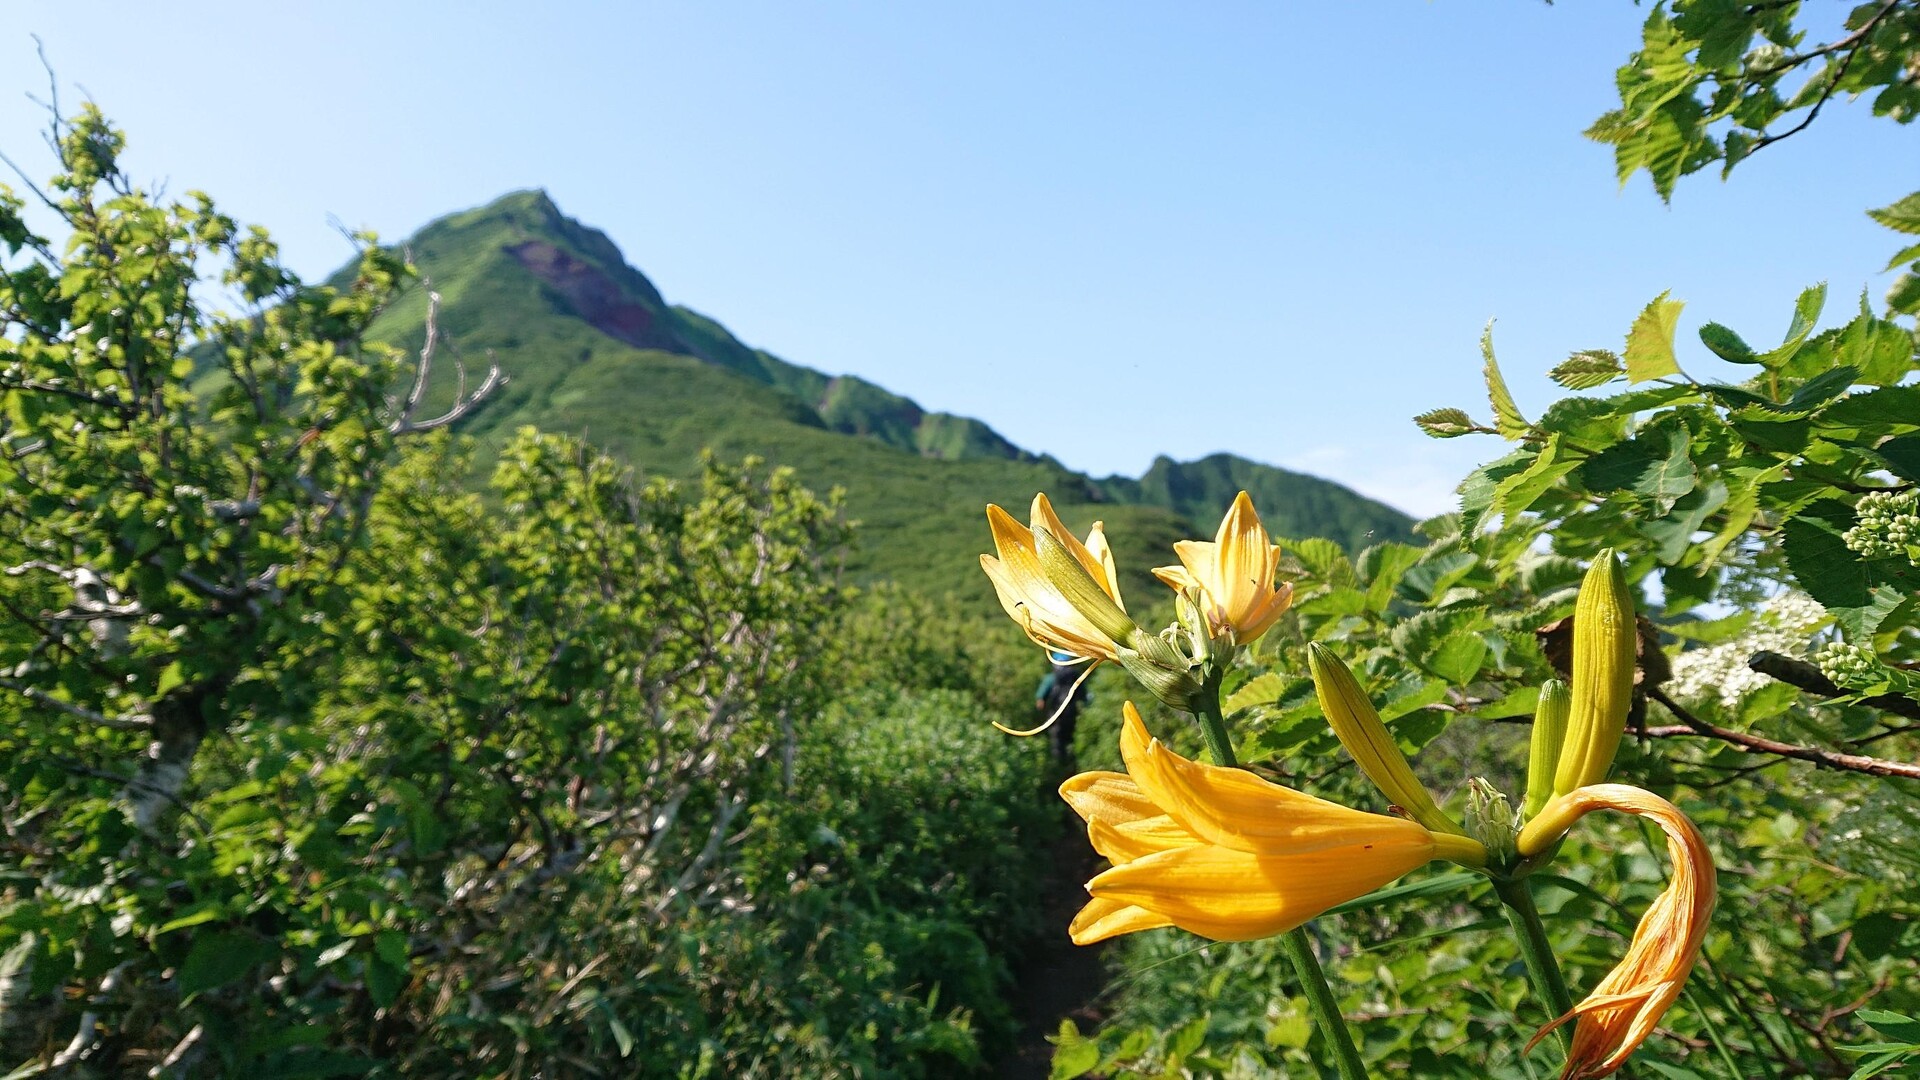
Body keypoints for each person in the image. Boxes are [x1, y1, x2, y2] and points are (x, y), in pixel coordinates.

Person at [1035, 651, 1091, 763]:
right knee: (1072, 739)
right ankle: (1073, 762)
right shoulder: (1075, 677)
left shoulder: (1051, 678)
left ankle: (1059, 764)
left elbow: (1040, 699)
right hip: (1072, 714)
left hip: (1056, 716)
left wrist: (1041, 704)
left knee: (1057, 741)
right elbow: (1084, 696)